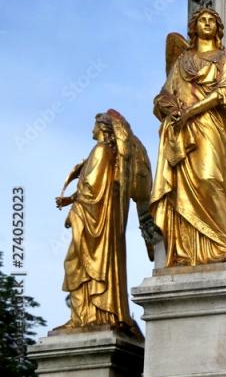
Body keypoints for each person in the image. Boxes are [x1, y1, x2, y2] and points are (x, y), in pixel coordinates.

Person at [151, 8, 226, 279]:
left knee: (211, 179)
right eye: (202, 21)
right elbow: (163, 95)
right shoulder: (182, 61)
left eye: (212, 21)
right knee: (183, 190)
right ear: (194, 28)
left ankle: (223, 246)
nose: (207, 24)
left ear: (218, 28)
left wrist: (192, 110)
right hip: (183, 130)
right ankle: (187, 252)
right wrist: (170, 107)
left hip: (210, 127)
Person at [55, 110, 150, 336]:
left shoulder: (99, 151)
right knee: (78, 265)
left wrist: (72, 206)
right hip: (95, 217)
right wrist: (71, 199)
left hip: (91, 219)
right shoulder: (106, 152)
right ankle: (85, 316)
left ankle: (88, 316)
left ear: (103, 128)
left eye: (95, 125)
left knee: (76, 264)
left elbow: (91, 189)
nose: (92, 130)